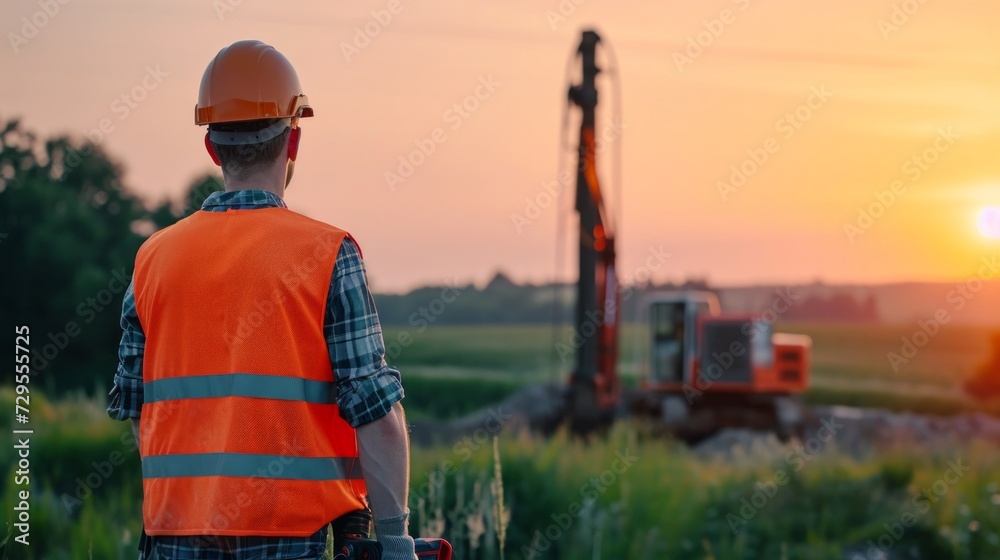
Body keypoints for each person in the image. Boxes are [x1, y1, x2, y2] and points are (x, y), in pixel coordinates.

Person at [106, 39, 416, 560]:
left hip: (171, 539)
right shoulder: (327, 254)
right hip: (293, 540)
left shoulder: (151, 260)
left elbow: (138, 409)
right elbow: (376, 412)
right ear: (293, 141)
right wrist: (396, 539)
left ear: (212, 148)